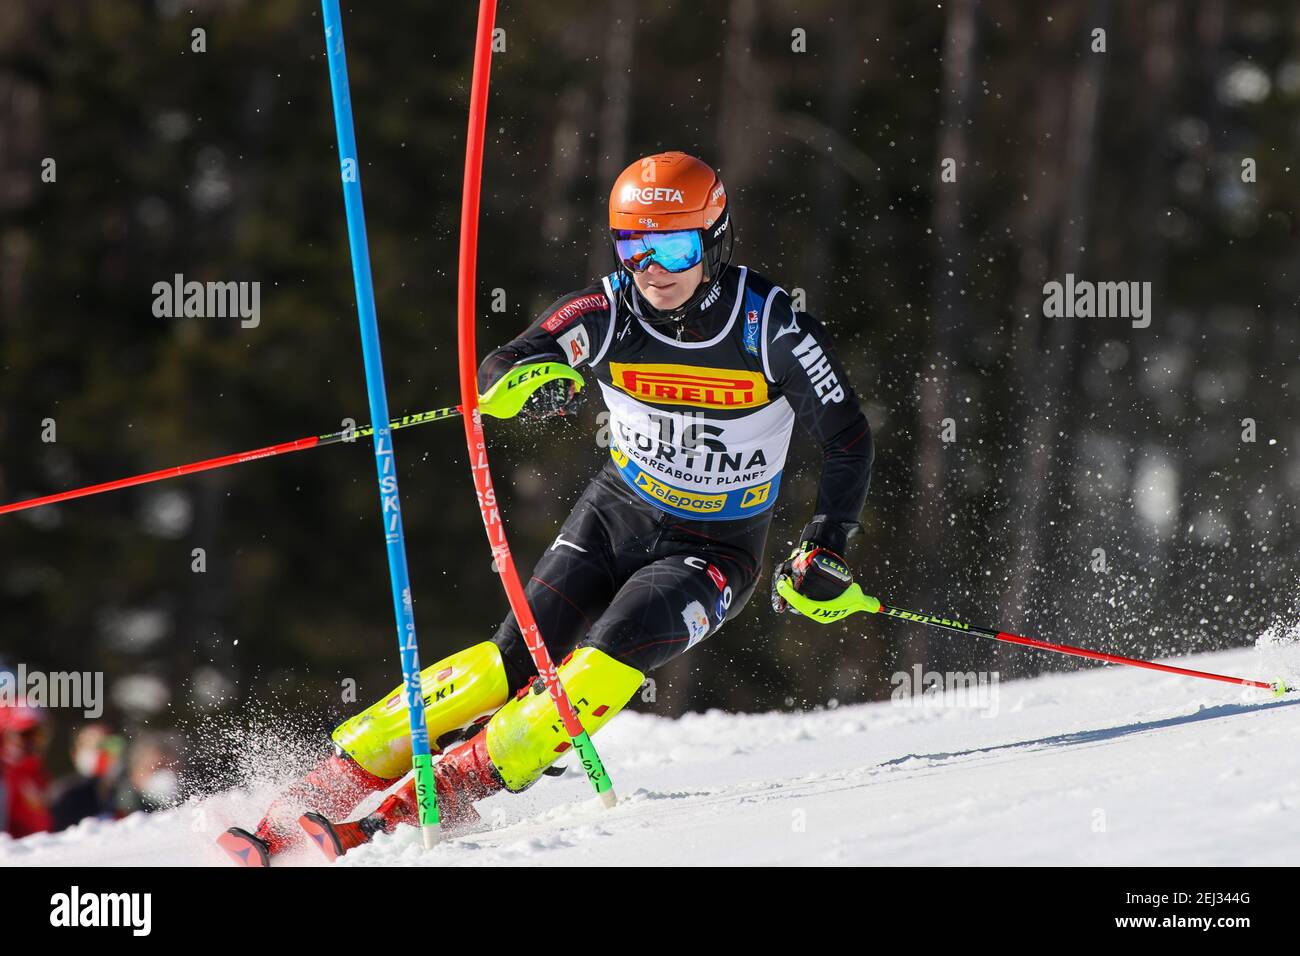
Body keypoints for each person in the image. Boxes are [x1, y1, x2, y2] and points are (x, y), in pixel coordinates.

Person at [219, 151, 873, 866]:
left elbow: (846, 437)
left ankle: (420, 805)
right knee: (503, 667)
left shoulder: (769, 326)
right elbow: (507, 362)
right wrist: (533, 383)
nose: (653, 268)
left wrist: (827, 542)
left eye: (676, 246)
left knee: (594, 669)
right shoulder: (610, 307)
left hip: (714, 548)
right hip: (617, 513)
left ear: (716, 240)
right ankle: (307, 800)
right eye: (634, 246)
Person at [0, 700, 53, 838]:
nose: (32, 742)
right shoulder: (5, 776)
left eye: (38, 734)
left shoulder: (36, 773)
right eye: (24, 734)